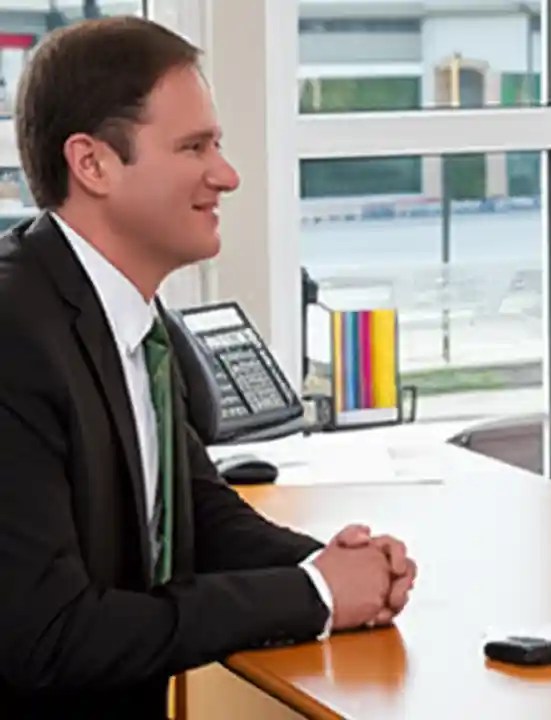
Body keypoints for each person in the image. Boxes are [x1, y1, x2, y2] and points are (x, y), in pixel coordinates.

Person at [0, 17, 416, 717]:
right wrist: (312, 596)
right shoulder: (14, 333)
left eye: (216, 144)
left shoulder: (128, 316)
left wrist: (330, 566)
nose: (226, 175)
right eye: (194, 147)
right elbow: (50, 635)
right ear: (92, 164)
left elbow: (196, 514)